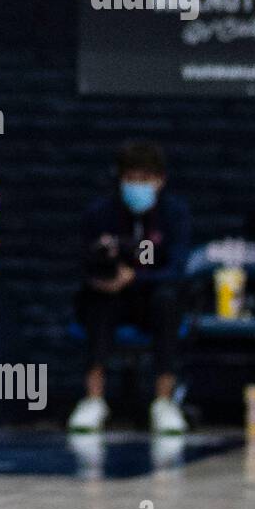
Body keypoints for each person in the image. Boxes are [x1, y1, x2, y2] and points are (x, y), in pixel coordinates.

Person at [68, 141, 192, 435]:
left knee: (168, 301)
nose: (138, 186)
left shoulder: (173, 214)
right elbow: (83, 262)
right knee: (98, 302)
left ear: (160, 180)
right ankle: (93, 399)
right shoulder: (101, 214)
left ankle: (164, 402)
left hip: (153, 299)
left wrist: (134, 278)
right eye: (131, 179)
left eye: (145, 179)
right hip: (112, 298)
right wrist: (104, 269)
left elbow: (177, 268)